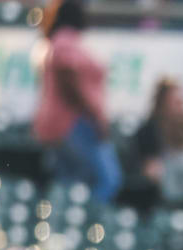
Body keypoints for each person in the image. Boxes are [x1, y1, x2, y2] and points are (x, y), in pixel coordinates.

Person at [33, 0, 120, 204]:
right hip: (74, 122)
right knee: (109, 179)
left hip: (57, 124)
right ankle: (88, 222)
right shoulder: (64, 41)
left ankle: (70, 225)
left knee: (70, 184)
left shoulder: (55, 42)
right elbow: (68, 76)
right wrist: (93, 115)